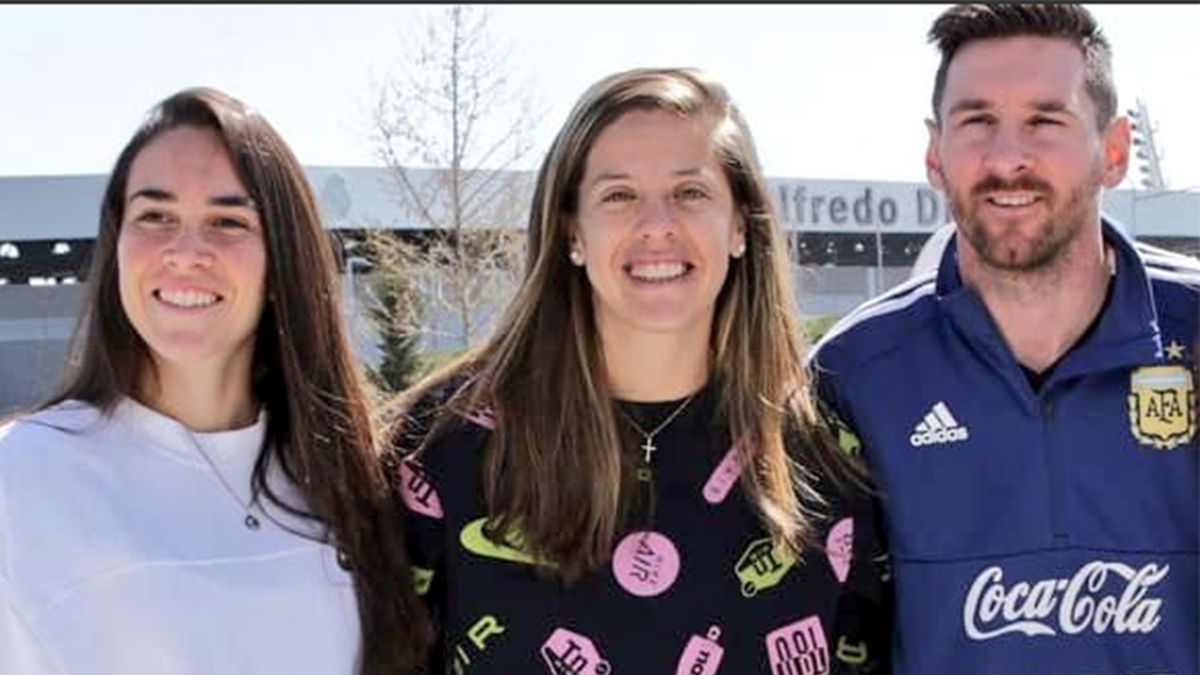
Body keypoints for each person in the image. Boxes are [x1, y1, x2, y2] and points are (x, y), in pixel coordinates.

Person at [389, 67, 890, 674]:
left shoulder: (823, 455)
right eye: (618, 195)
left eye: (691, 192)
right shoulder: (444, 446)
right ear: (572, 230)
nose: (657, 226)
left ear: (739, 225)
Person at [811, 4, 1199, 674]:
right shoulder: (852, 376)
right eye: (977, 121)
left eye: (1046, 120)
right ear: (936, 153)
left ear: (1113, 149)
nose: (1008, 157)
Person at [0, 88, 429, 674]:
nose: (186, 251)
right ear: (117, 245)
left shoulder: (345, 481)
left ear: (282, 262)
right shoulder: (28, 474)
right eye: (155, 216)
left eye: (228, 221)